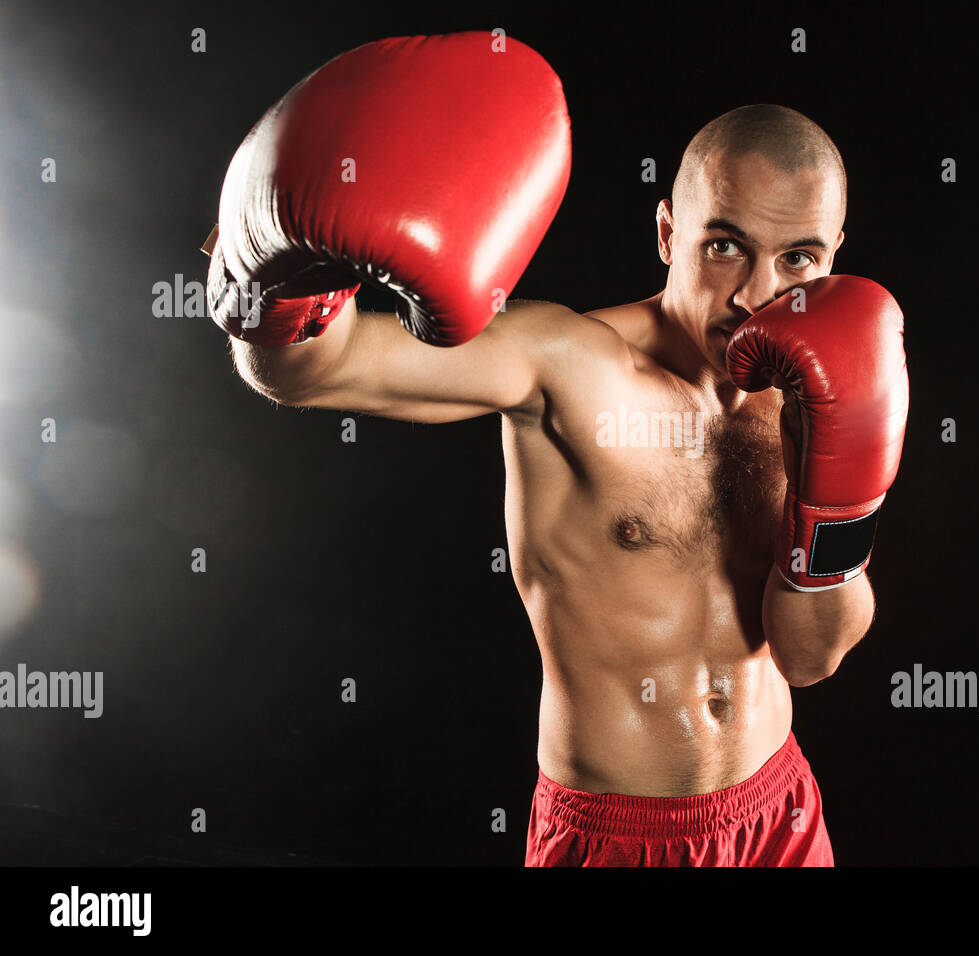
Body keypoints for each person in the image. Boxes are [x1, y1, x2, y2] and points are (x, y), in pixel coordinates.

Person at [206, 33, 908, 866]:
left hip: (778, 814)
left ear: (831, 257)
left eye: (798, 258)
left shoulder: (819, 386)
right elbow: (311, 371)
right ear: (666, 232)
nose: (756, 293)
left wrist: (839, 516)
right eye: (724, 246)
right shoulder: (564, 361)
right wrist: (273, 278)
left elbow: (808, 656)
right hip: (616, 837)